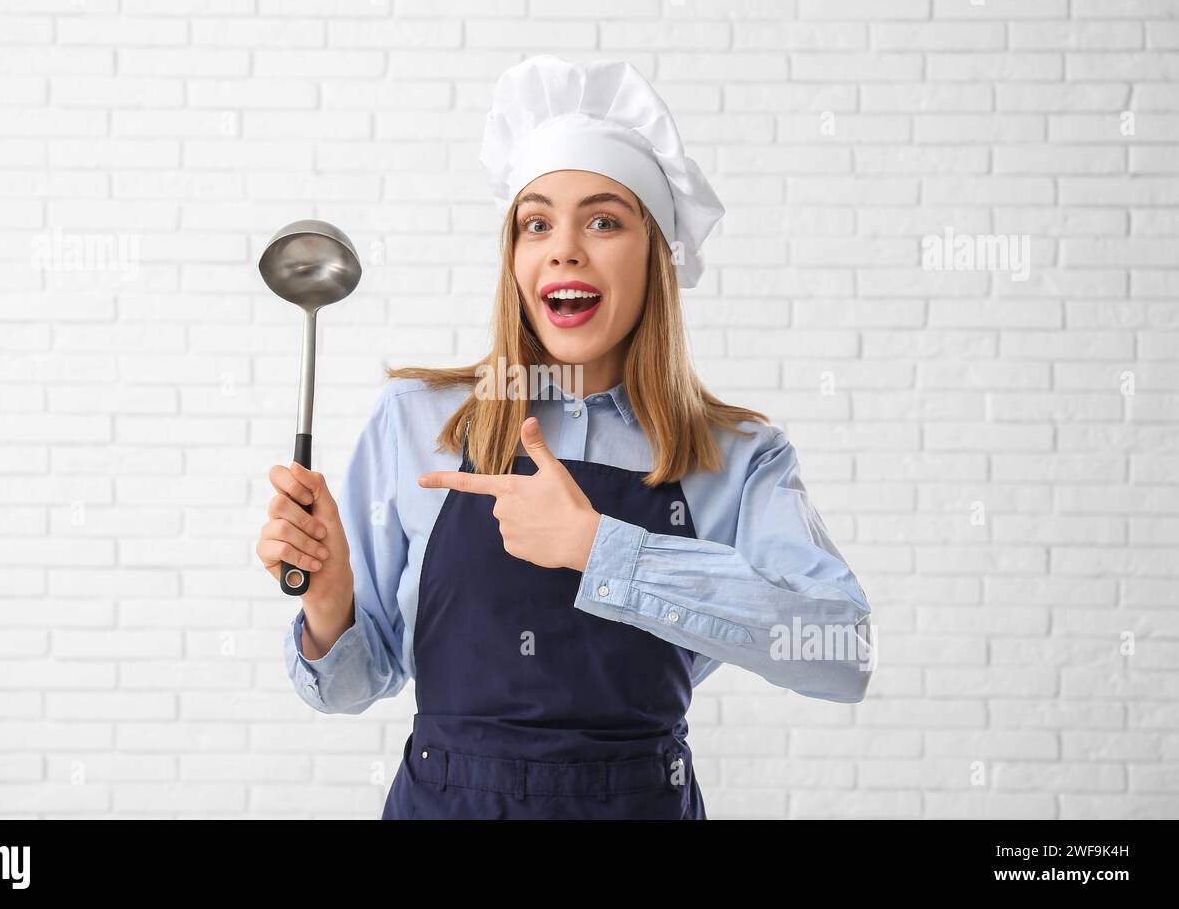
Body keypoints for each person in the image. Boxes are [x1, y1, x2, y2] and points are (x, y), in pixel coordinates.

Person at [259, 55, 874, 819]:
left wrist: (602, 551)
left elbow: (842, 654)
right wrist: (331, 601)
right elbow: (353, 685)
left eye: (605, 220)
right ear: (514, 257)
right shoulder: (418, 419)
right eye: (536, 222)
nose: (564, 249)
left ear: (657, 252)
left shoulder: (737, 456)